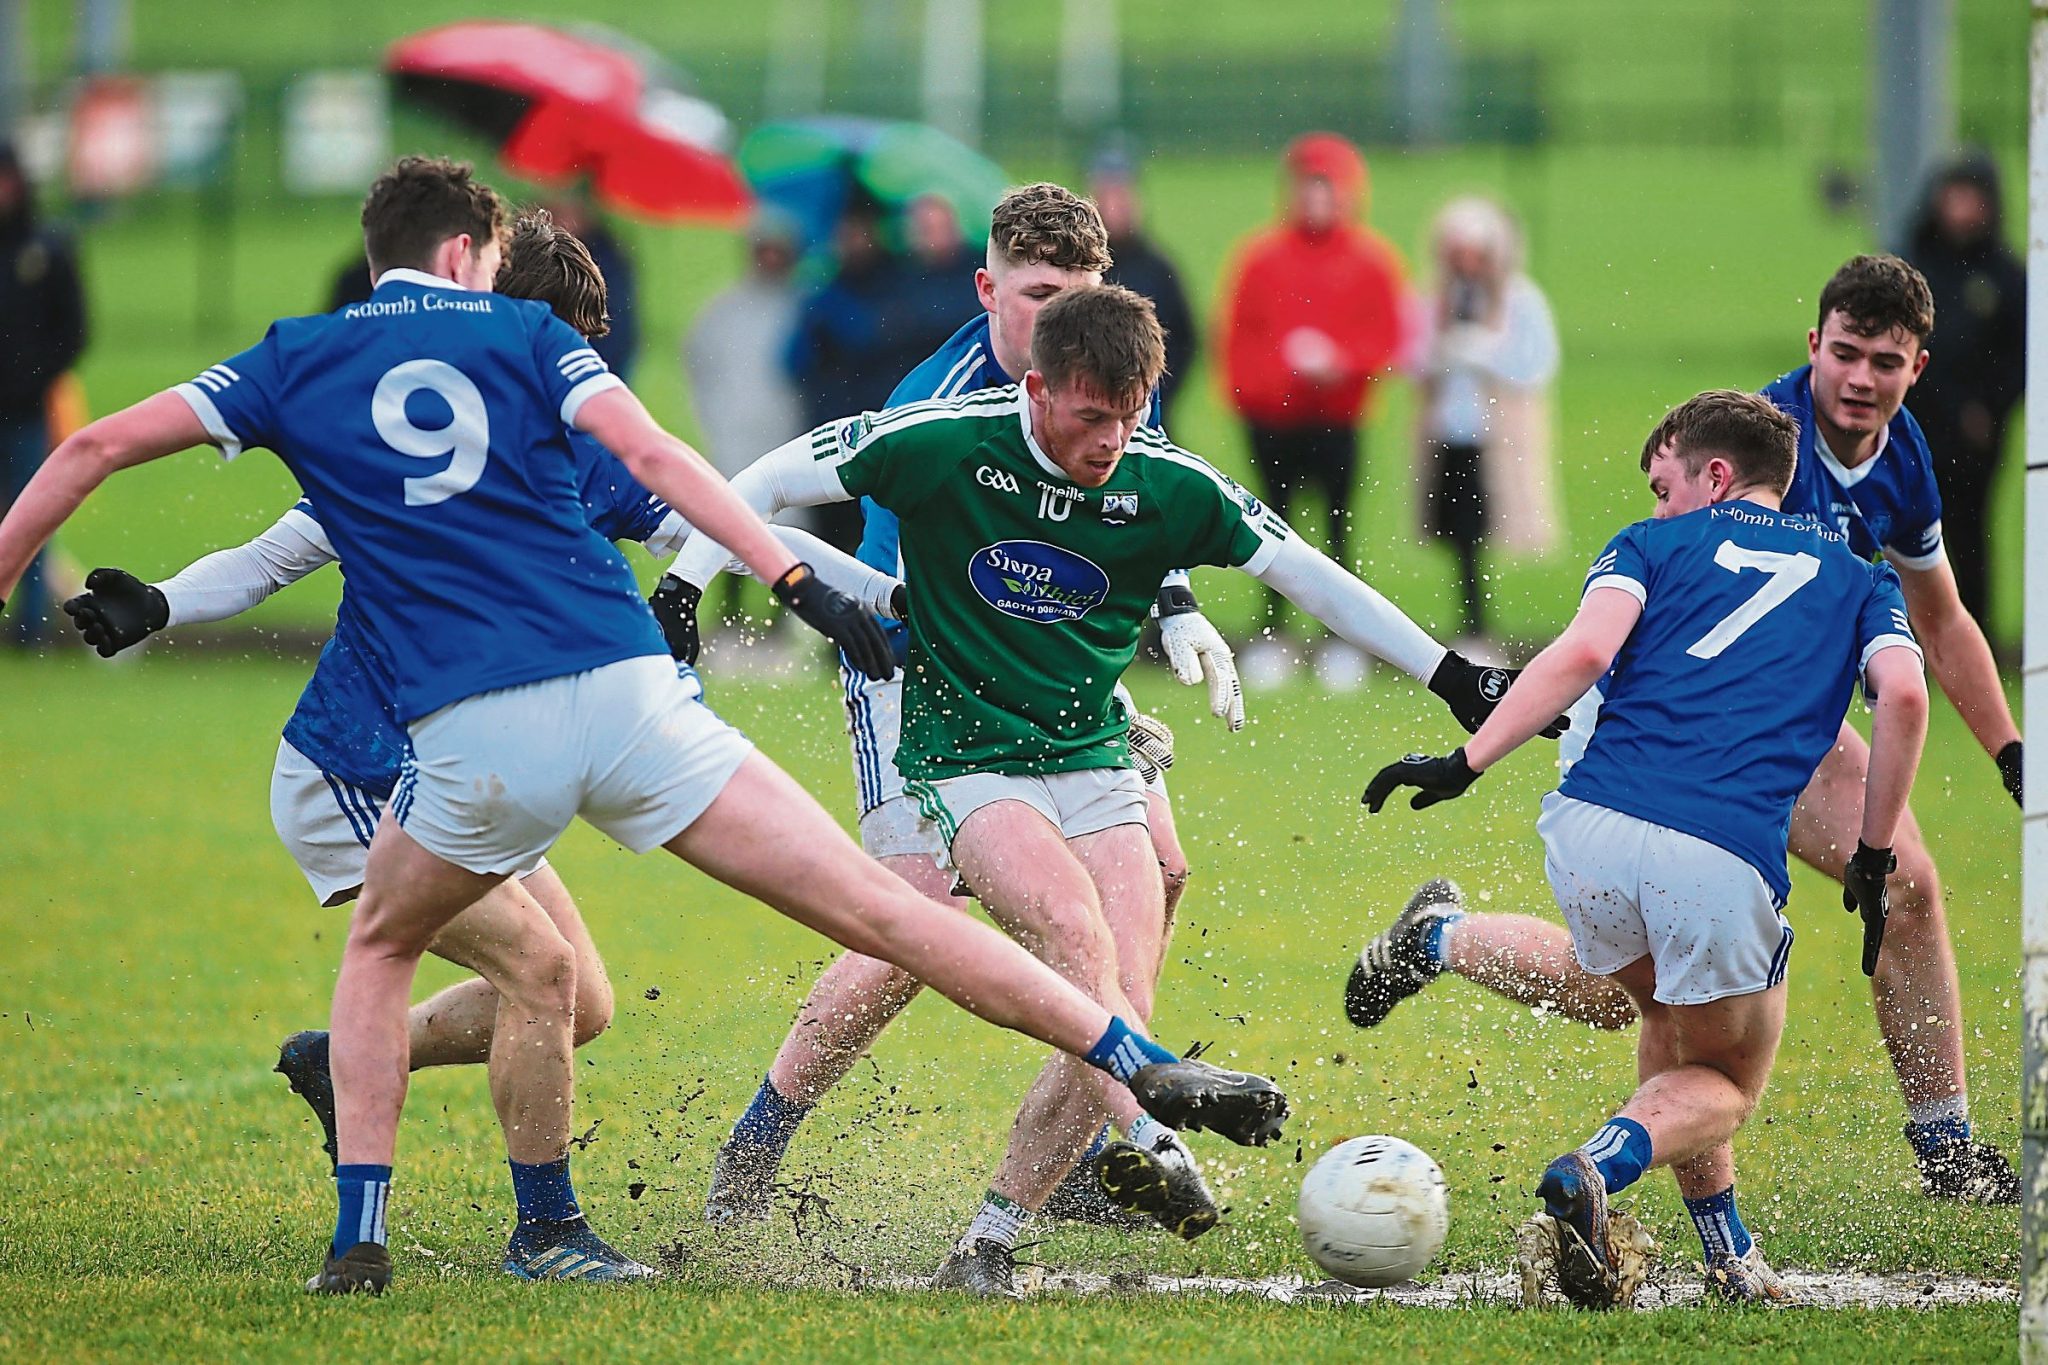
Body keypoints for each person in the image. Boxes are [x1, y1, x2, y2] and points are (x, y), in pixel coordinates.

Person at [0, 157, 1288, 1296]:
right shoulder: (488, 395)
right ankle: (515, 1224)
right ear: (488, 293)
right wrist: (165, 600)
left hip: (518, 737)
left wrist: (808, 588)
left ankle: (362, 1140)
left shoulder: (414, 392)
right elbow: (299, 545)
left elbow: (705, 506)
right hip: (377, 761)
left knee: (585, 994)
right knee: (607, 966)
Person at [54, 212, 901, 1285]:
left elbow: (723, 520)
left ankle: (351, 1060)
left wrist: (879, 599)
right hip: (359, 773)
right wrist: (163, 604)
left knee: (578, 1003)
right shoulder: (428, 453)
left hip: (473, 767)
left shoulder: (567, 457)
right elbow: (279, 553)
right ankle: (545, 1233)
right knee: (539, 973)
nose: (585, 376)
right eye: (575, 347)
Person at [668, 284, 1546, 1295]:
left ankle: (988, 1242)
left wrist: (1449, 678)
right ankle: (1160, 1135)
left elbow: (1307, 575)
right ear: (1036, 390)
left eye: (1129, 418)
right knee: (1074, 946)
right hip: (966, 762)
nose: (1110, 442)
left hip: (1091, 756)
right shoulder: (941, 437)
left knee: (1118, 993)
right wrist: (690, 582)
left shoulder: (1162, 477)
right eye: (1090, 418)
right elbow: (758, 480)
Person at [1346, 254, 2027, 1204]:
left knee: (1904, 888)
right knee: (1647, 1000)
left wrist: (2010, 749)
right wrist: (1531, 714)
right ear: (1813, 347)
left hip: (1787, 735)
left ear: (1918, 364)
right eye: (1846, 354)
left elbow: (1944, 617)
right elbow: (1650, 601)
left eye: (1886, 360)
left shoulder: (1901, 453)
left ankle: (1945, 1146)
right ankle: (1451, 948)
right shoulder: (1757, 448)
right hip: (1685, 733)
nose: (1862, 378)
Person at [660, 183, 1251, 1241]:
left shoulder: (1106, 371)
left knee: (1159, 869)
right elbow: (817, 525)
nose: (1054, 320)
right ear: (986, 290)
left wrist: (1175, 607)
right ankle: (759, 1138)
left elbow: (1130, 517)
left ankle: (1094, 1129)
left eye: (1073, 294)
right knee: (918, 916)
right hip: (910, 657)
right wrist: (715, 583)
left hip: (1051, 650)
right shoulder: (934, 400)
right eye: (1032, 295)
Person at [1364, 389, 1927, 1305]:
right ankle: (1600, 1165)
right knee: (1724, 1079)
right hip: (1718, 851)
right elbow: (1903, 698)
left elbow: (1582, 653)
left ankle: (1730, 1256)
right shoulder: (1861, 577)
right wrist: (1871, 855)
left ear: (1715, 476)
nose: (1658, 504)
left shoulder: (1646, 544)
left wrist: (1464, 763)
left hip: (1587, 829)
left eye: (1666, 486)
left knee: (1663, 1020)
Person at [1218, 132, 1406, 684]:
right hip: (1273, 418)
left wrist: (1342, 364)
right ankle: (1272, 633)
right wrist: (1262, 391)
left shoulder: (1370, 261)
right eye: (1307, 187)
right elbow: (1238, 336)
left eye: (1327, 187)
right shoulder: (1262, 257)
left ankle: (1342, 639)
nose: (1316, 199)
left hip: (1337, 416)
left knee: (1337, 529)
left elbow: (1387, 336)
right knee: (1270, 530)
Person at [1411, 196, 1561, 648]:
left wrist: (1487, 353)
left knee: (1489, 522)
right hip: (1448, 431)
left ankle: (1481, 623)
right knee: (1458, 531)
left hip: (1495, 435)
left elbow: (1538, 363)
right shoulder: (1436, 299)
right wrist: (1440, 356)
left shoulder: (1519, 299)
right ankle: (1471, 619)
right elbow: (1412, 355)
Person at [1904, 151, 2025, 629]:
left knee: (1969, 533)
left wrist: (1989, 409)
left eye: (1971, 196)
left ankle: (1975, 632)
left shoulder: (2006, 278)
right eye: (1952, 194)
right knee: (1899, 531)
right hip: (1911, 426)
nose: (1960, 207)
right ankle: (1896, 635)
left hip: (1976, 436)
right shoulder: (1911, 269)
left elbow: (2020, 357)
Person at [685, 211, 809, 630]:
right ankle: (728, 614)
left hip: (787, 428)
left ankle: (781, 619)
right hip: (734, 431)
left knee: (789, 525)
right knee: (731, 519)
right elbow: (700, 365)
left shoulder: (803, 305)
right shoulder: (724, 309)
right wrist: (716, 418)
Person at [0, 141, 88, 647]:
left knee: (31, 518)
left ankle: (32, 628)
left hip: (28, 410)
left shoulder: (47, 248)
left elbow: (72, 329)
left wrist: (34, 376)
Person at [1090, 146, 1198, 426]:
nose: (1115, 205)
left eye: (1121, 194)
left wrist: (1156, 390)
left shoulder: (1158, 269)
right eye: (1106, 195)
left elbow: (1185, 338)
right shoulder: (1079, 267)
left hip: (1146, 411)